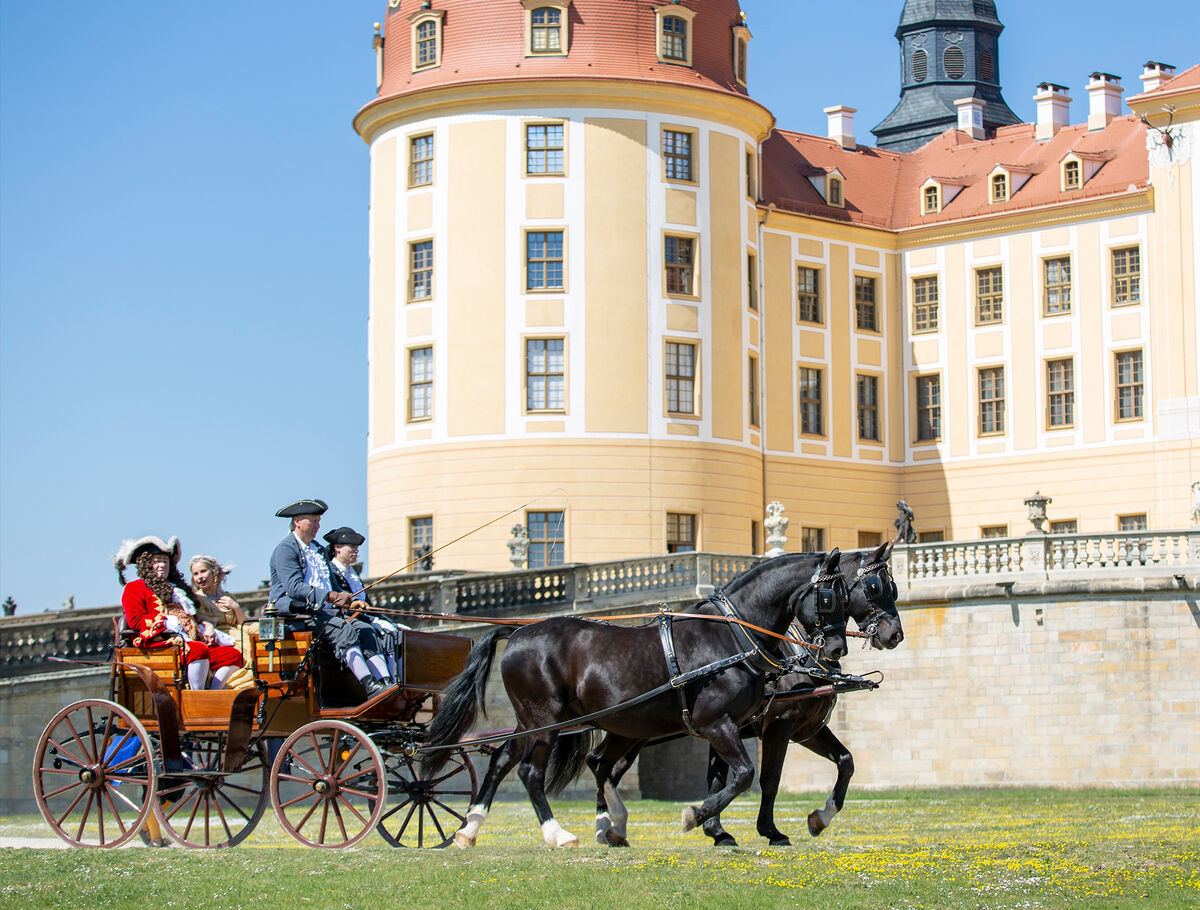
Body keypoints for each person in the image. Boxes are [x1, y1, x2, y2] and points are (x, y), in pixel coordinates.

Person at [267, 499, 393, 698]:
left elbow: (330, 583)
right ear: (297, 521)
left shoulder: (317, 549)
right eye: (313, 521)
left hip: (323, 613)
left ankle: (386, 683)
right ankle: (369, 686)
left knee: (366, 630)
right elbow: (294, 587)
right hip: (299, 614)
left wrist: (350, 602)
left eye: (318, 521)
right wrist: (331, 596)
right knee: (343, 629)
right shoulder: (286, 549)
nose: (318, 526)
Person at [115, 535, 244, 690]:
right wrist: (165, 622)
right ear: (146, 564)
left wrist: (207, 625)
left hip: (188, 641)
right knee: (199, 650)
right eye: (156, 561)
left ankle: (213, 694)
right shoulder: (135, 587)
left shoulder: (177, 588)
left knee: (232, 655)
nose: (162, 565)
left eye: (165, 561)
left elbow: (193, 617)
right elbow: (136, 620)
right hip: (158, 642)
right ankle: (198, 695)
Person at [324, 526, 409, 686]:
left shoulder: (353, 575)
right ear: (337, 548)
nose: (356, 551)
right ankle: (384, 680)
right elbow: (339, 601)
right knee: (373, 633)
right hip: (348, 618)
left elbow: (367, 605)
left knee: (398, 633)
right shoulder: (332, 571)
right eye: (352, 547)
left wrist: (384, 620)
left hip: (364, 617)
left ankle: (399, 679)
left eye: (357, 548)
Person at [189, 555, 256, 659]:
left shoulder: (227, 597)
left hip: (237, 634)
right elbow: (196, 621)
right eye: (196, 574)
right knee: (245, 648)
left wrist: (235, 607)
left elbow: (243, 624)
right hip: (217, 638)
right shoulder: (196, 599)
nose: (200, 577)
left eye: (203, 571)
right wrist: (209, 626)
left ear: (213, 572)